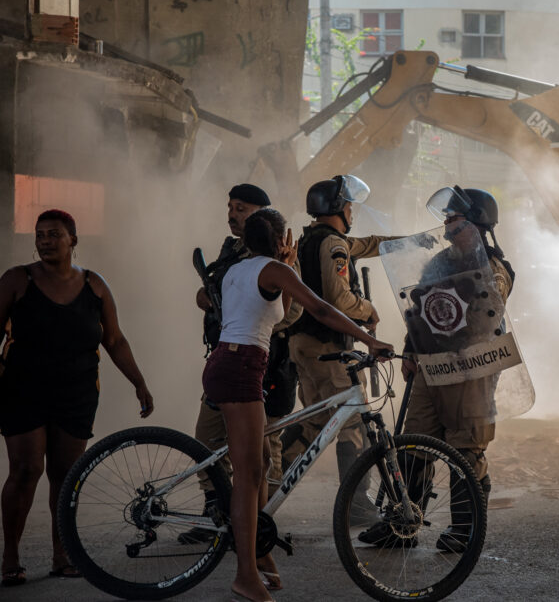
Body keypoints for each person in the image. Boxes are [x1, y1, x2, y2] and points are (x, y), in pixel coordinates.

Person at [202, 208, 391, 602]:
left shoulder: (243, 269)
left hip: (232, 361)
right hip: (240, 366)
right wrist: (368, 339)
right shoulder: (273, 270)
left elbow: (284, 315)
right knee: (249, 474)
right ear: (281, 238)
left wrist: (289, 269)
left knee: (262, 466)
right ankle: (245, 575)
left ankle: (261, 554)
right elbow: (321, 308)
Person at [0, 209, 154, 587]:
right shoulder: (16, 280)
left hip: (76, 393)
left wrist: (139, 382)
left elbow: (115, 340)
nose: (44, 241)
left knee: (66, 476)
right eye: (39, 234)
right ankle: (11, 555)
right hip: (21, 390)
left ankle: (62, 554)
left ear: (73, 240)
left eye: (54, 234)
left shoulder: (95, 285)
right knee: (26, 471)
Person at [360, 186, 515, 552]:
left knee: (466, 448)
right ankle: (404, 524)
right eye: (446, 220)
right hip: (432, 367)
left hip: (471, 369)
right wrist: (411, 352)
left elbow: (487, 310)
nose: (446, 227)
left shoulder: (493, 268)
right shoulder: (439, 262)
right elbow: (419, 311)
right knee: (415, 442)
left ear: (477, 223)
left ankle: (465, 529)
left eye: (455, 220)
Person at [180, 184, 301, 545]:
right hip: (228, 361)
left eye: (241, 208)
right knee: (208, 438)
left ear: (263, 215)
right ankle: (219, 513)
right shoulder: (232, 250)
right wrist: (212, 300)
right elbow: (212, 291)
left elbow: (290, 314)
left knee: (265, 452)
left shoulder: (282, 255)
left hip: (266, 364)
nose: (232, 215)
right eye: (230, 207)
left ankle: (260, 525)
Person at [279, 175, 398, 491]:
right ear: (338, 207)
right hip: (327, 346)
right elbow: (338, 298)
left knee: (315, 420)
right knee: (353, 424)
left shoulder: (312, 240)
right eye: (349, 206)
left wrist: (406, 243)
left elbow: (367, 244)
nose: (352, 212)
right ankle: (357, 505)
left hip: (302, 344)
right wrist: (368, 309)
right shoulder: (333, 244)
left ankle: (269, 484)